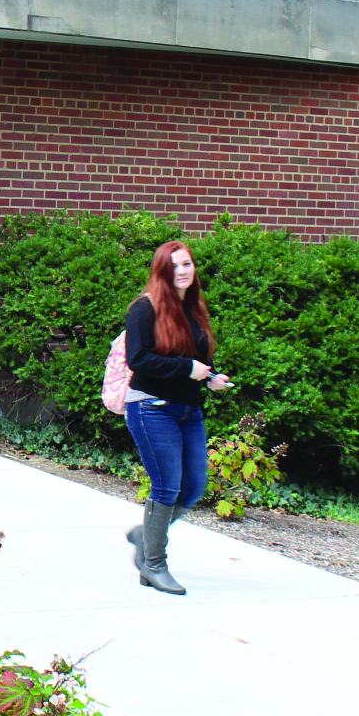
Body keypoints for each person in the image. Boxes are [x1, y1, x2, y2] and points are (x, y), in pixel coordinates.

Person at [121, 240, 230, 596]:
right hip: (151, 407)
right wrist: (187, 369)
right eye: (174, 266)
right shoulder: (144, 309)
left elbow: (196, 358)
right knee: (167, 486)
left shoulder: (193, 308)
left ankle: (147, 536)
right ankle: (154, 565)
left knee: (194, 487)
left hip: (188, 409)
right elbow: (138, 359)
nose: (182, 271)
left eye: (187, 264)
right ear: (161, 272)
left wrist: (211, 377)